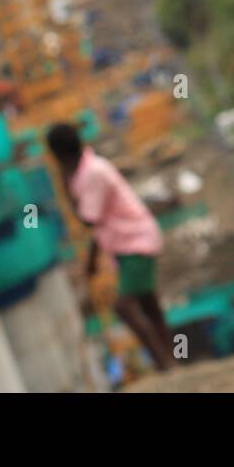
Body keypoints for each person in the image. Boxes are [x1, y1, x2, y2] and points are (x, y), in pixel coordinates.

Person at [45, 122, 176, 371]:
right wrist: (92, 261)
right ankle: (172, 362)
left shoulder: (91, 173)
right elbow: (101, 224)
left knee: (124, 306)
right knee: (149, 306)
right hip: (127, 242)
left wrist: (65, 187)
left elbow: (88, 219)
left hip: (136, 241)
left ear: (57, 155)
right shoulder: (88, 171)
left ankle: (164, 365)